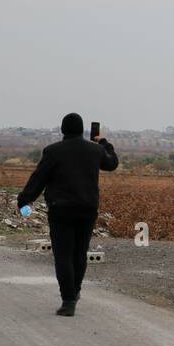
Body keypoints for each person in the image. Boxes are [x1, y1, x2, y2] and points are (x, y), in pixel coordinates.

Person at [17, 113, 119, 316]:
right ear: (82, 130)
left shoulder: (53, 151)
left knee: (63, 255)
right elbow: (112, 163)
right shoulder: (95, 150)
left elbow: (39, 179)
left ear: (63, 130)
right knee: (79, 253)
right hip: (87, 209)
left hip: (60, 210)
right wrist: (104, 142)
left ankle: (68, 300)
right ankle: (76, 291)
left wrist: (24, 200)